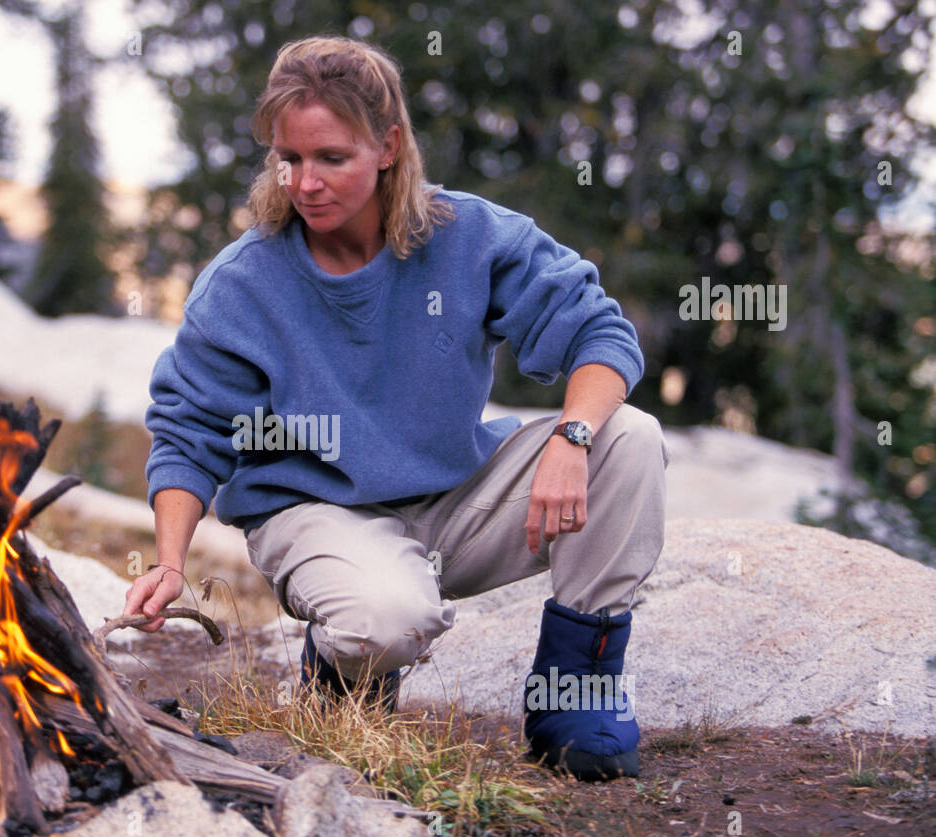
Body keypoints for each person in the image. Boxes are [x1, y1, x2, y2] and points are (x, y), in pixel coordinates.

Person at [121, 35, 670, 781]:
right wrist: (170, 560)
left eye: (331, 158)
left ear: (388, 145)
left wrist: (572, 437)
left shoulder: (469, 237)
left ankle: (576, 696)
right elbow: (190, 428)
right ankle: (342, 676)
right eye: (289, 158)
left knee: (627, 438)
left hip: (451, 495)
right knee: (385, 617)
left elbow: (599, 332)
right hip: (315, 510)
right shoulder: (244, 284)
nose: (305, 182)